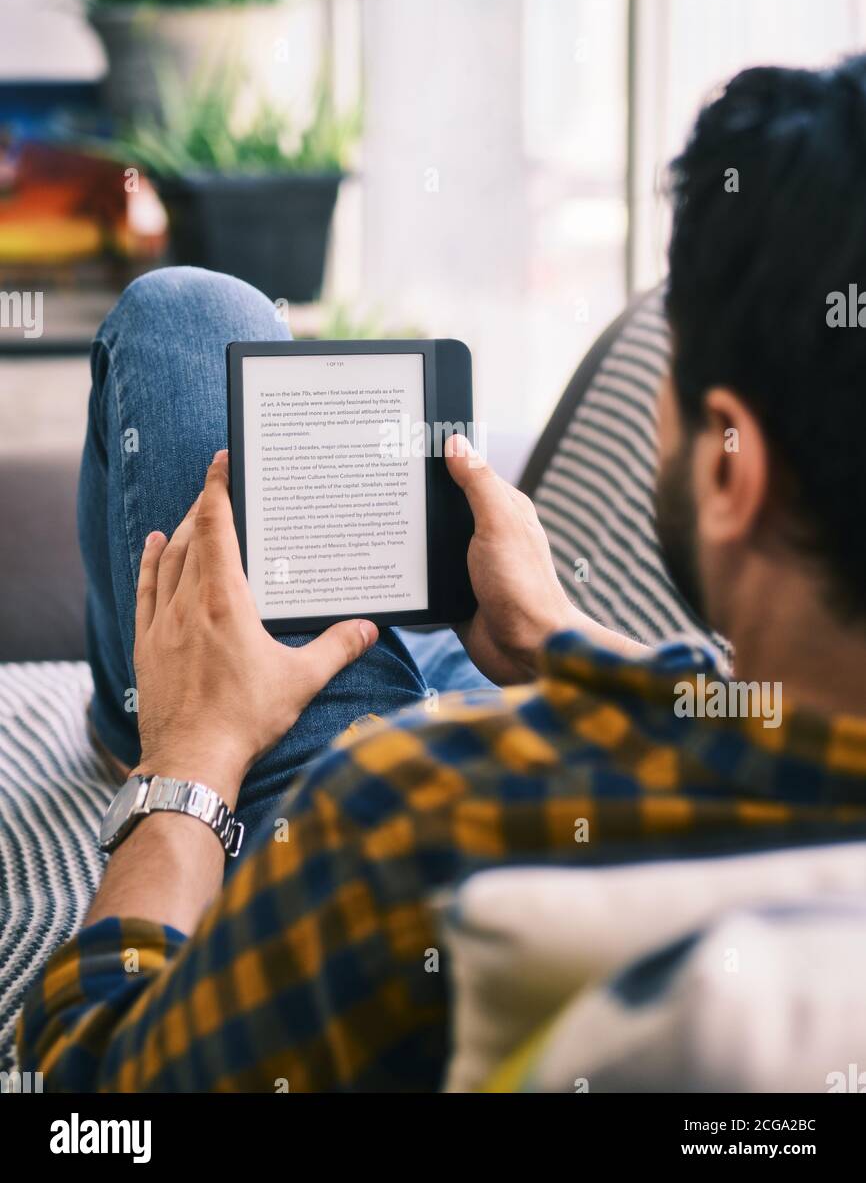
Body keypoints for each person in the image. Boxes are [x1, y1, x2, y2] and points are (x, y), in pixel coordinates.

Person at [18, 58, 866, 1091]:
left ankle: (144, 716)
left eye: (669, 376)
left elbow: (96, 1101)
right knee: (368, 565)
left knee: (186, 315)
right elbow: (768, 721)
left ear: (729, 465)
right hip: (549, 703)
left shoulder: (407, 823)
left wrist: (189, 761)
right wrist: (556, 640)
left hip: (337, 777)